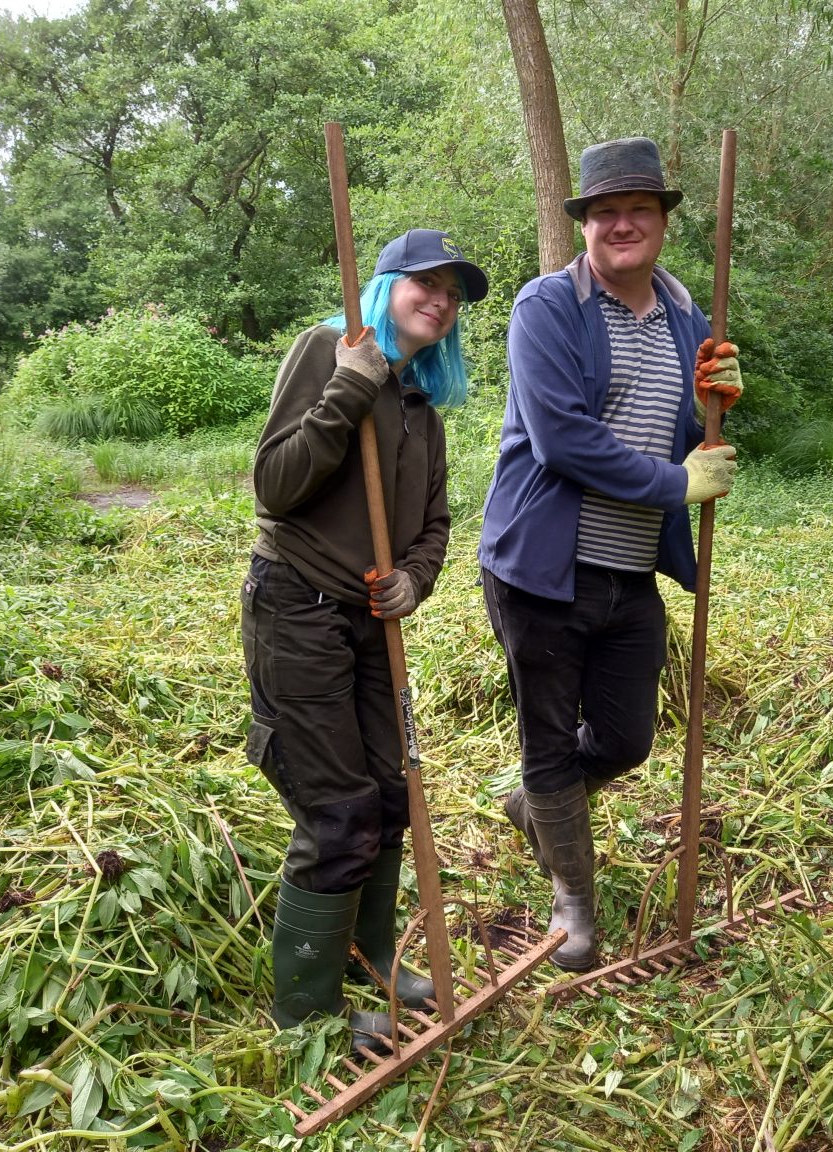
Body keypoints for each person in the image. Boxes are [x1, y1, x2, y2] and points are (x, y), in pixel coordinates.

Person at [479, 137, 744, 972]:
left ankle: (539, 807)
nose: (621, 223)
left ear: (663, 221)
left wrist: (719, 399)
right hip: (543, 570)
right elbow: (563, 440)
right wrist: (679, 485)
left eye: (638, 209)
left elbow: (686, 430)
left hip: (630, 570)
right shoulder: (546, 308)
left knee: (628, 738)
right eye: (604, 211)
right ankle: (573, 898)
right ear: (584, 225)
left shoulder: (688, 318)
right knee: (551, 738)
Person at [242, 229, 488, 1044]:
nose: (443, 301)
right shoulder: (326, 351)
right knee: (339, 812)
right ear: (384, 285)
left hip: (370, 621)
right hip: (298, 608)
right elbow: (276, 489)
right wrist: (350, 389)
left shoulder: (423, 410)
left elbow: (436, 525)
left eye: (454, 294)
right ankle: (304, 1014)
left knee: (393, 797)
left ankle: (371, 958)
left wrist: (413, 580)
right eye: (428, 282)